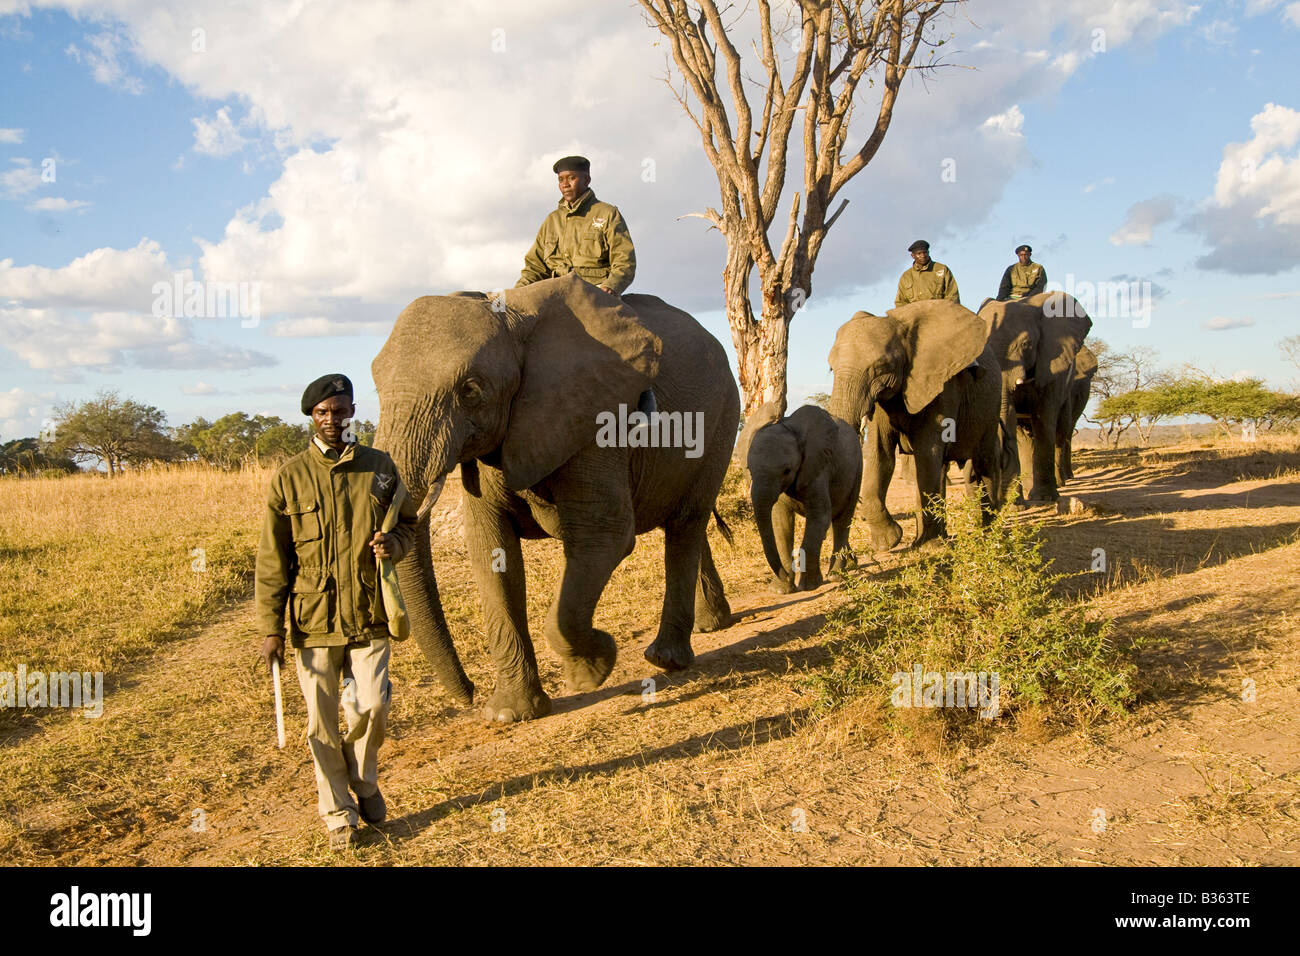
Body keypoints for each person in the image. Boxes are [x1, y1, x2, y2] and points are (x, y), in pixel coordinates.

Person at [255, 373, 419, 851]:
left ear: (352, 412)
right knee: (320, 724)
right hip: (313, 622)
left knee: (373, 706)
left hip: (370, 614)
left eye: (341, 410)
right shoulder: (288, 477)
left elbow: (408, 523)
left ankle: (363, 781)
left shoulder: (381, 468)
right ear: (311, 416)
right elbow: (272, 560)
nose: (333, 420)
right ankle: (338, 814)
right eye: (323, 412)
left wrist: (395, 543)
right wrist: (270, 629)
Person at [516, 155, 636, 296]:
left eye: (571, 178)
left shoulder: (607, 214)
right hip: (555, 294)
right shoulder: (551, 221)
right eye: (561, 180)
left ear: (586, 180)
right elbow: (534, 267)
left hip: (594, 293)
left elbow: (624, 260)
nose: (565, 184)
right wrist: (515, 294)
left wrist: (612, 286)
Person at [895, 239, 960, 308]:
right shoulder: (906, 276)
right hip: (916, 316)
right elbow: (900, 302)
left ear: (928, 252)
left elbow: (952, 295)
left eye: (925, 252)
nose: (923, 255)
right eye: (919, 253)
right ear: (913, 256)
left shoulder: (942, 269)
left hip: (939, 314)